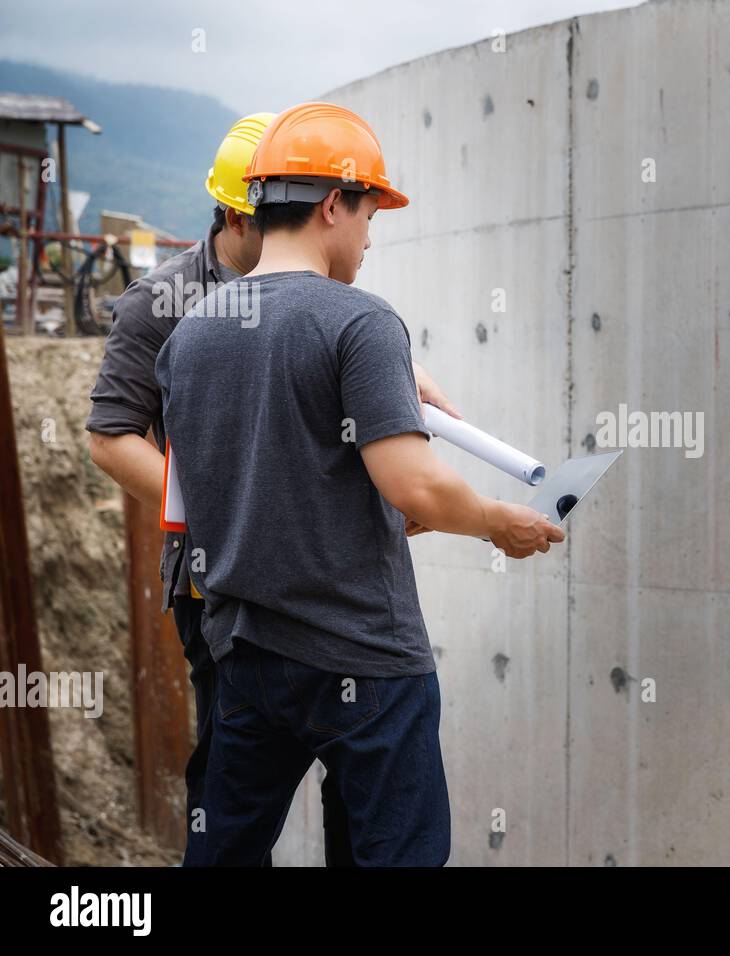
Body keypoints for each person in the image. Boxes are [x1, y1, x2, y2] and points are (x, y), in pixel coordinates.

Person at [157, 101, 564, 866]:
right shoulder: (359, 322)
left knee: (224, 853)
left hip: (245, 654)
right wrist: (498, 524)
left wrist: (363, 505)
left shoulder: (189, 336)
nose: (371, 239)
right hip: (362, 655)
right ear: (333, 204)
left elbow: (235, 485)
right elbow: (416, 485)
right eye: (370, 215)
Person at [86, 112, 460, 865]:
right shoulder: (164, 308)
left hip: (325, 594)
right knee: (232, 799)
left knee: (351, 794)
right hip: (223, 592)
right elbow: (109, 436)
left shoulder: (318, 298)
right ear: (238, 212)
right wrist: (233, 514)